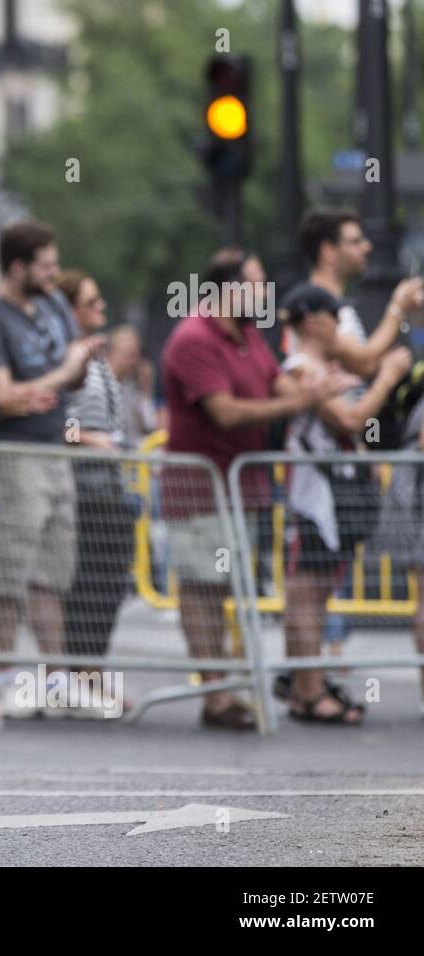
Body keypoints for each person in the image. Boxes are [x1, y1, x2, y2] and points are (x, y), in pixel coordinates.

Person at [161, 248, 345, 730]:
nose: (266, 293)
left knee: (226, 585)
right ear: (228, 289)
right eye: (257, 283)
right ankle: (216, 695)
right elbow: (226, 411)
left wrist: (312, 388)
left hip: (239, 487)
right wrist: (301, 401)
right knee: (202, 588)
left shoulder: (247, 335)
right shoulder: (194, 337)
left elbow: (274, 384)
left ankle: (225, 686)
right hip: (200, 488)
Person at [0, 221, 104, 718]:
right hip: (13, 455)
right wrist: (66, 370)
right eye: (44, 265)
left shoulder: (50, 307)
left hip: (55, 447)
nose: (53, 274)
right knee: (9, 568)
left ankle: (58, 678)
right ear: (16, 267)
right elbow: (3, 397)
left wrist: (83, 362)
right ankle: (4, 677)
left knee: (53, 571)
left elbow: (71, 373)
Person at [278, 283, 411, 724]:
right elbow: (351, 418)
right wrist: (387, 376)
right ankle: (309, 691)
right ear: (314, 320)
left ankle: (307, 688)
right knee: (306, 593)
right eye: (334, 316)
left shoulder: (322, 369)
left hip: (331, 498)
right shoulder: (301, 367)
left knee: (315, 593)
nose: (339, 325)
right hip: (312, 498)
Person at [57, 270, 139, 693]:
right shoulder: (62, 357)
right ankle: (77, 676)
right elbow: (53, 424)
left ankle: (90, 671)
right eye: (91, 302)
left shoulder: (96, 359)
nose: (100, 309)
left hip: (107, 488)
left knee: (109, 582)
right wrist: (90, 439)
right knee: (84, 587)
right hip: (78, 491)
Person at [298, 209, 424, 379]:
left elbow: (364, 365)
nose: (367, 247)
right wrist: (398, 308)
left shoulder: (335, 303)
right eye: (355, 242)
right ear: (328, 250)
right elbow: (362, 361)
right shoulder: (314, 306)